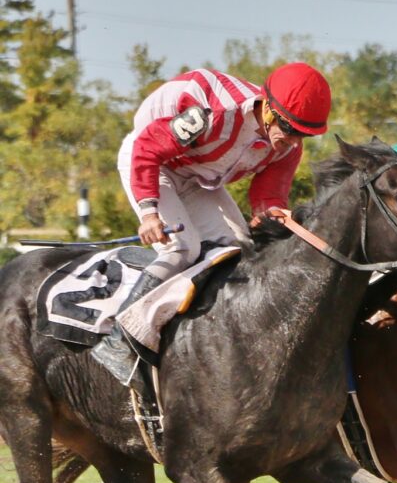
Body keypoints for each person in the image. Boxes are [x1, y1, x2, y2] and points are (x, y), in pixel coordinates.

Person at [92, 62, 332, 384]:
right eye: (290, 131)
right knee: (183, 249)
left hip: (195, 176)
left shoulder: (288, 148)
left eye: (304, 135)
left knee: (239, 249)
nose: (293, 142)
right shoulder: (213, 113)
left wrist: (273, 216)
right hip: (150, 161)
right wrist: (149, 213)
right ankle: (117, 339)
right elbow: (148, 151)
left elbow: (269, 195)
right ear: (269, 111)